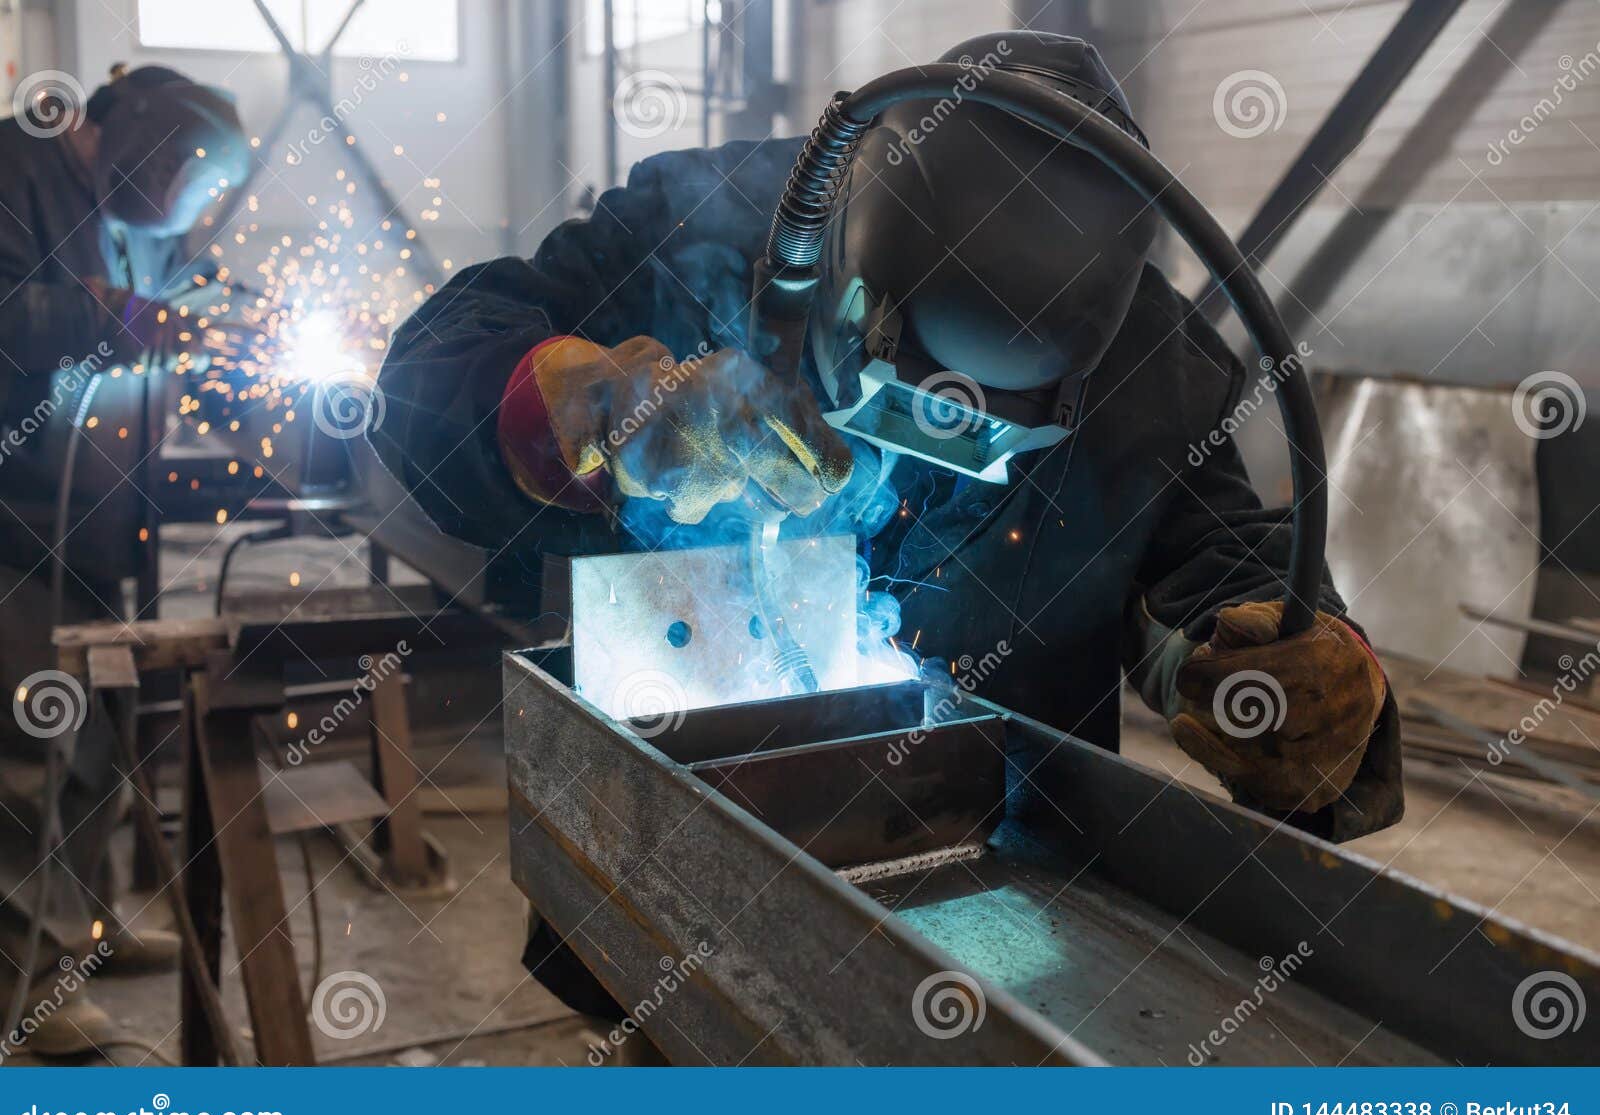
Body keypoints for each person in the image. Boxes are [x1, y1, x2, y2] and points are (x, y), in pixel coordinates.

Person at [373, 32, 1401, 1027]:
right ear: (841, 277)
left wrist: (1292, 666)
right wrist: (594, 411)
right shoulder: (705, 230)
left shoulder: (1152, 363)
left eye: (986, 427)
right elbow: (433, 367)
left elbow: (1218, 556)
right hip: (668, 874)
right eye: (900, 398)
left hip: (981, 890)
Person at [0, 63, 250, 1058]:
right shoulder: (14, 167)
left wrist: (234, 320)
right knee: (26, 749)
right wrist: (110, 316)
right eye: (189, 181)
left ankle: (85, 933)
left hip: (96, 515)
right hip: (11, 517)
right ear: (148, 148)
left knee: (100, 736)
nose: (187, 212)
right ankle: (23, 977)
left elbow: (185, 292)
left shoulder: (129, 216)